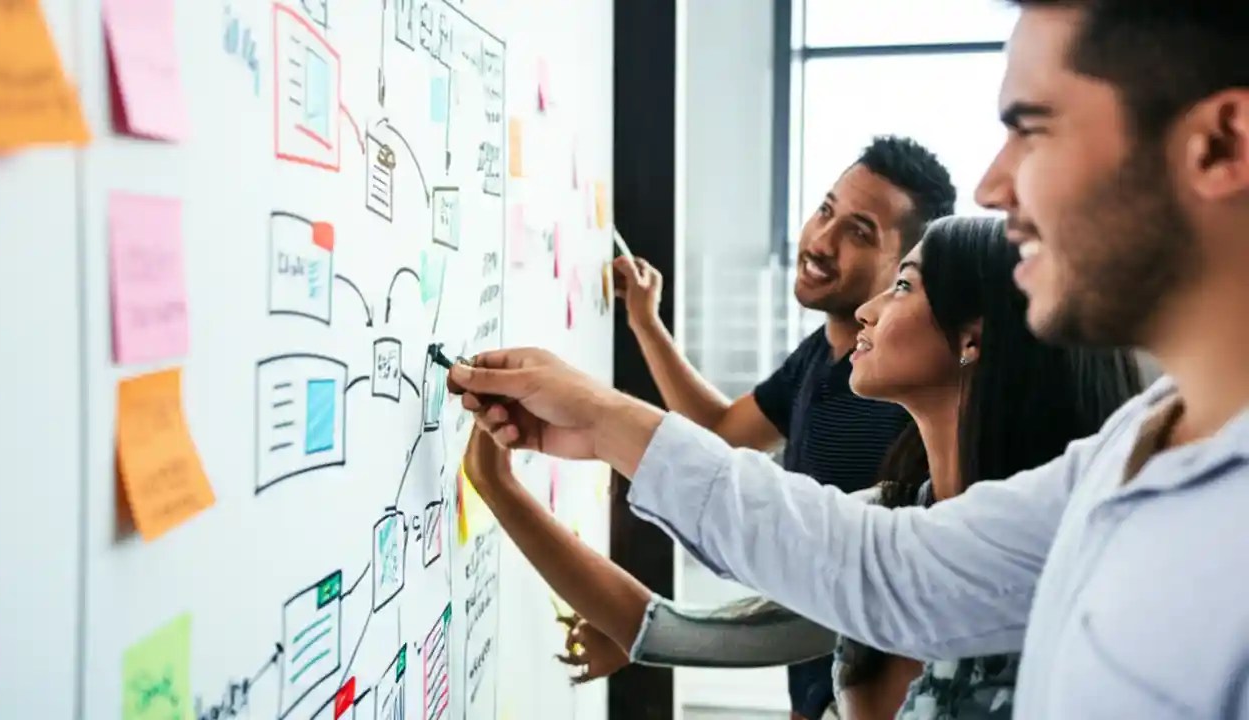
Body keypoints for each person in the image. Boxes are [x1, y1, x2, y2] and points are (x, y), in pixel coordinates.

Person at [447, 2, 1249, 716]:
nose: (994, 183)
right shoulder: (1127, 448)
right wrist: (597, 411)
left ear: (1220, 145)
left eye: (1033, 127)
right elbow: (884, 568)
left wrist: (599, 417)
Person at [460, 217, 1142, 718]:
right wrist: (501, 485)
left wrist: (602, 415)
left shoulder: (1064, 575)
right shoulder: (887, 520)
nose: (872, 307)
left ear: (972, 338)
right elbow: (677, 631)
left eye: (902, 284)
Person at [610, 134, 956, 719]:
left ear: (905, 269)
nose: (821, 241)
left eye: (859, 232)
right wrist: (646, 322)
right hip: (815, 688)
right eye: (826, 210)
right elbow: (720, 428)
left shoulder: (895, 399)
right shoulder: (819, 354)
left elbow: (842, 585)